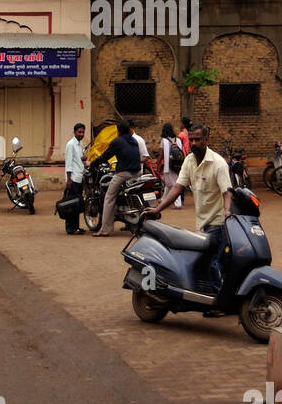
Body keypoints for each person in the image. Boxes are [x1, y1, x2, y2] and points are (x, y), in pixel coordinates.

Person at [153, 124, 232, 309]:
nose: (194, 143)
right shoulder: (189, 160)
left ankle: (220, 305)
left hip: (218, 222)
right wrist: (158, 209)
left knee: (212, 264)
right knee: (202, 262)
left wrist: (228, 212)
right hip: (201, 224)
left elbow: (227, 191)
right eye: (192, 139)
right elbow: (177, 188)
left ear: (206, 140)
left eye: (198, 139)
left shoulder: (218, 163)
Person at [91, 120, 141, 237]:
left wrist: (92, 163)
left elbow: (105, 156)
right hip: (137, 173)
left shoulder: (117, 141)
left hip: (123, 174)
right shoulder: (133, 140)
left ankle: (105, 229)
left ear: (118, 131)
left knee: (109, 197)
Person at [63, 122, 87, 235]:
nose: (81, 134)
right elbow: (68, 163)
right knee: (71, 204)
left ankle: (76, 227)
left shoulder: (79, 144)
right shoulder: (70, 144)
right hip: (73, 179)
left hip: (79, 177)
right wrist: (68, 180)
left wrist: (83, 158)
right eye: (79, 132)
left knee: (76, 204)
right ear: (74, 132)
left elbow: (77, 160)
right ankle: (70, 228)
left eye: (83, 132)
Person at [157, 122, 184, 208]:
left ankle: (178, 204)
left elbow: (161, 155)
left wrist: (157, 165)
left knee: (174, 184)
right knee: (168, 184)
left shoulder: (164, 141)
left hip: (168, 166)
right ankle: (164, 200)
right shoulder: (178, 140)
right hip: (178, 165)